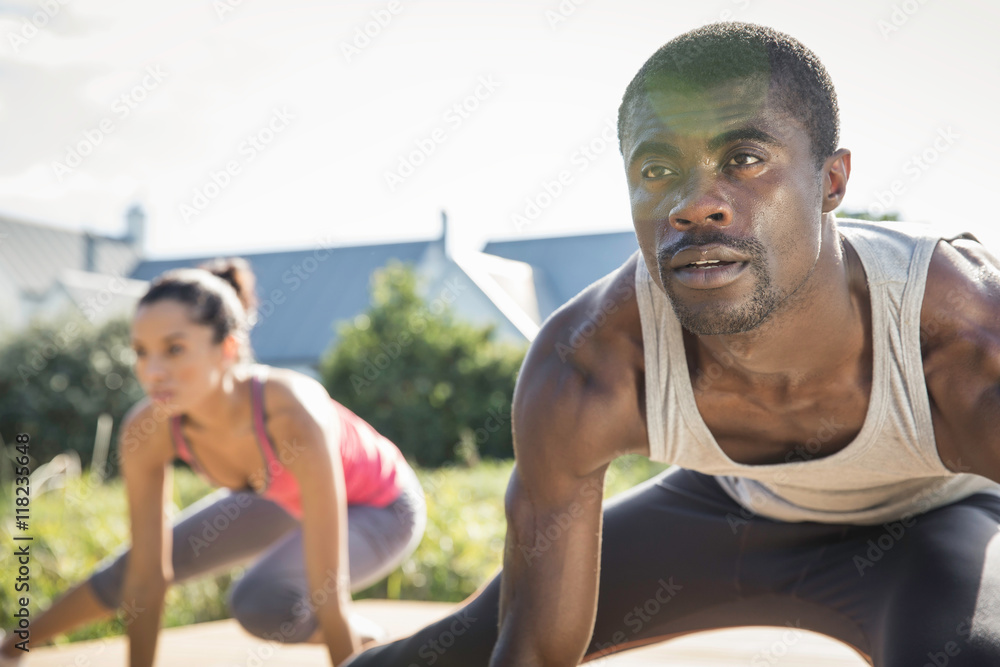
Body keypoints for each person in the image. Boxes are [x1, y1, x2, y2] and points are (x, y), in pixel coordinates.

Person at [342, 21, 1000, 667]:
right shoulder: (589, 363)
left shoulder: (965, 335)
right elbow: (535, 653)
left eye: (743, 159)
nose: (694, 203)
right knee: (460, 651)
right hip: (727, 512)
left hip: (937, 519)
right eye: (657, 168)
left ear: (831, 182)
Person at [0, 258, 426, 666]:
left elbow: (328, 590)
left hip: (381, 507)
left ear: (227, 348)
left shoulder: (292, 413)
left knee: (259, 601)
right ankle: (13, 646)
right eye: (141, 352)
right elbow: (147, 580)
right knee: (131, 569)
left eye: (174, 349)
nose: (153, 371)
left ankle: (369, 647)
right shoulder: (149, 428)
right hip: (281, 494)